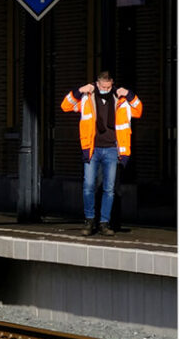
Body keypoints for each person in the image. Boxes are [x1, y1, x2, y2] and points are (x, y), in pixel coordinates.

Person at [61, 71, 143, 236]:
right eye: (103, 86)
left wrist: (129, 94)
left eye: (109, 86)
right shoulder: (87, 98)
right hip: (92, 149)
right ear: (97, 84)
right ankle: (89, 220)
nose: (106, 89)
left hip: (112, 149)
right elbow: (66, 105)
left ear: (112, 83)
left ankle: (104, 223)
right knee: (88, 186)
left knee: (109, 189)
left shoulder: (120, 100)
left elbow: (138, 110)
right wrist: (80, 90)